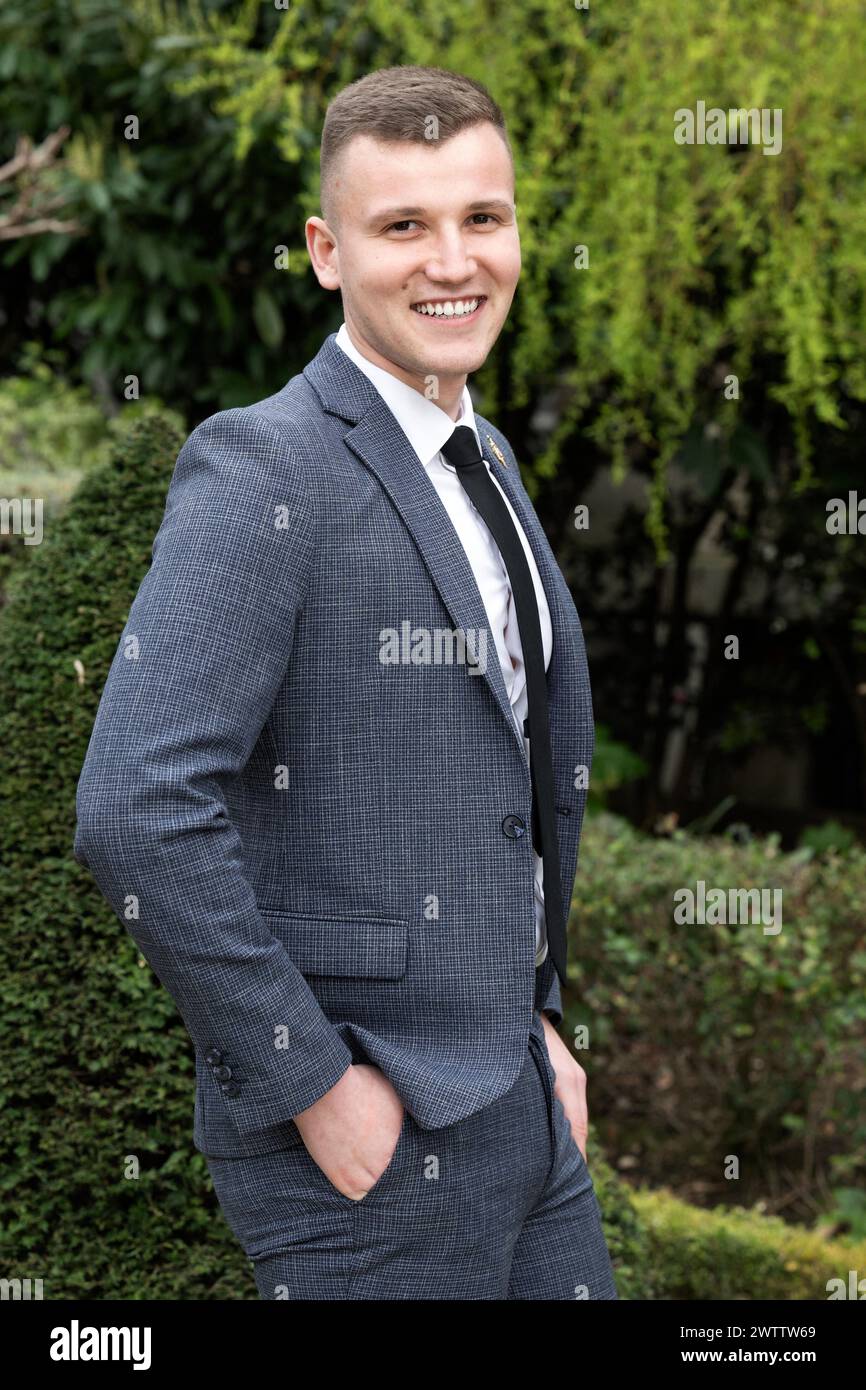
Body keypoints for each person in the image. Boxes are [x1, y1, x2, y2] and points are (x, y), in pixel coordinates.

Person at [74, 63, 618, 1301]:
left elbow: (503, 780)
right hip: (367, 1139)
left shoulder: (483, 460)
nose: (453, 260)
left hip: (515, 1103)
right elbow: (135, 807)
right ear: (326, 251)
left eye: (481, 218)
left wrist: (535, 1020)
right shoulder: (266, 461)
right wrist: (317, 1086)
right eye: (402, 226)